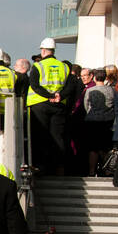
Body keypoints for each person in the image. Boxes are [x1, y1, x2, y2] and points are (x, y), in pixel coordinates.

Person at [27, 37, 74, 173]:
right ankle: (59, 167)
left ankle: (40, 166)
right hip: (59, 106)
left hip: (39, 105)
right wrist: (60, 96)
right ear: (53, 51)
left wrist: (49, 96)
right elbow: (71, 85)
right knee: (57, 136)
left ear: (43, 51)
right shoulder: (64, 66)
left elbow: (35, 85)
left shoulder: (38, 66)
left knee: (40, 135)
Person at [83, 68, 116, 176]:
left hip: (93, 121)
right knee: (105, 147)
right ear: (105, 77)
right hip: (107, 121)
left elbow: (86, 105)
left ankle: (92, 170)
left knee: (93, 148)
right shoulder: (111, 90)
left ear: (95, 77)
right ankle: (106, 168)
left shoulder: (90, 91)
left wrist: (91, 113)